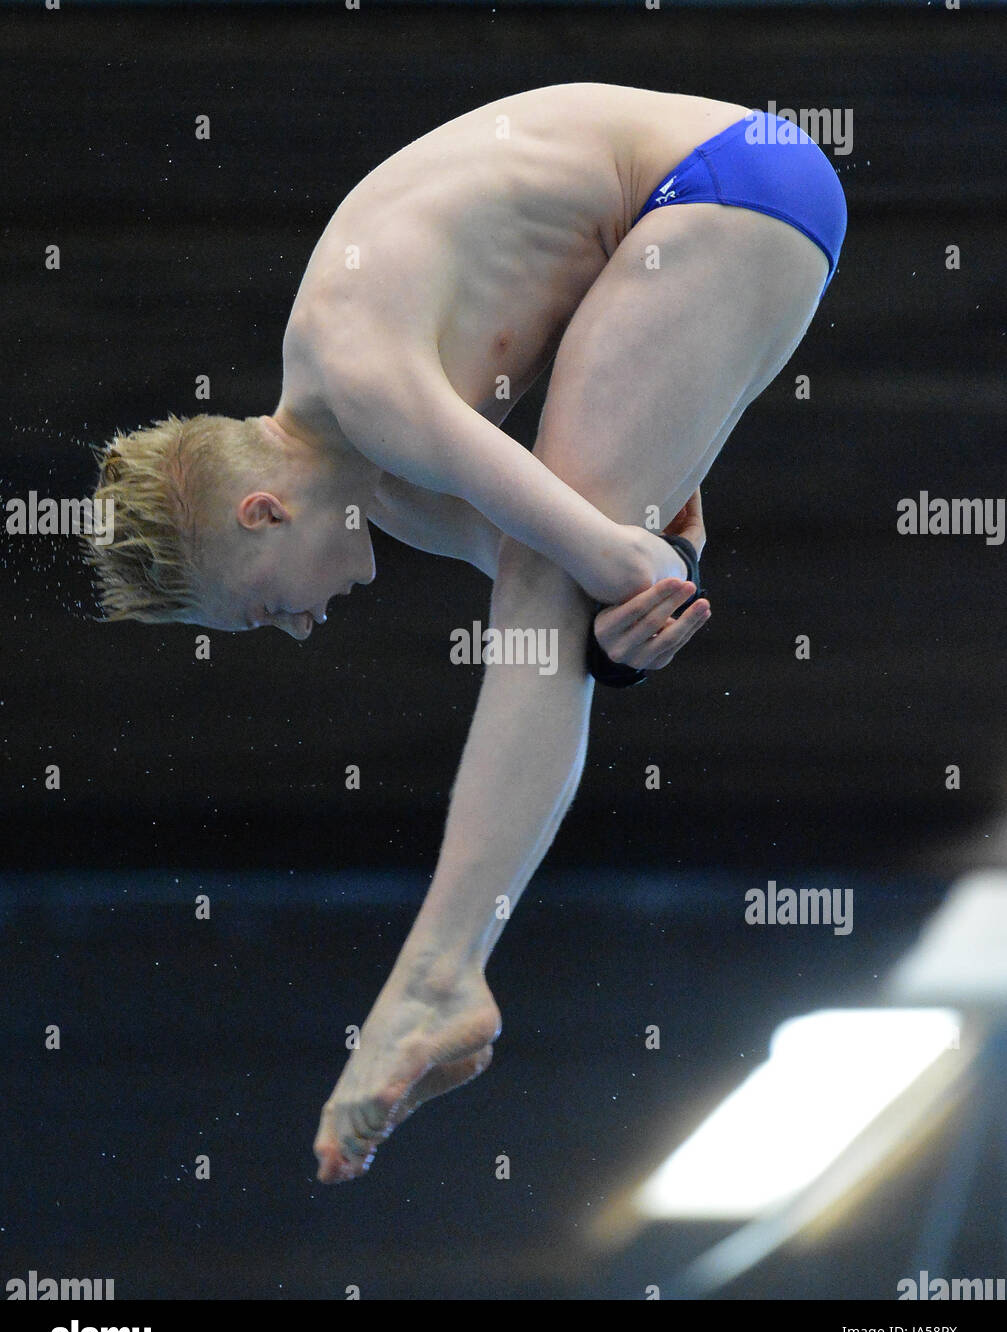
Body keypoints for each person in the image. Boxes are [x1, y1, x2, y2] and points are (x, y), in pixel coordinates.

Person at [82, 83, 846, 1181]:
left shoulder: (362, 381)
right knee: (546, 585)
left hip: (715, 183)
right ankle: (441, 972)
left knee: (547, 576)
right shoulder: (381, 472)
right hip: (729, 191)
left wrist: (623, 589)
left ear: (263, 513)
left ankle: (438, 973)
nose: (298, 629)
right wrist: (627, 627)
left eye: (263, 608)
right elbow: (609, 576)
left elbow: (599, 562)